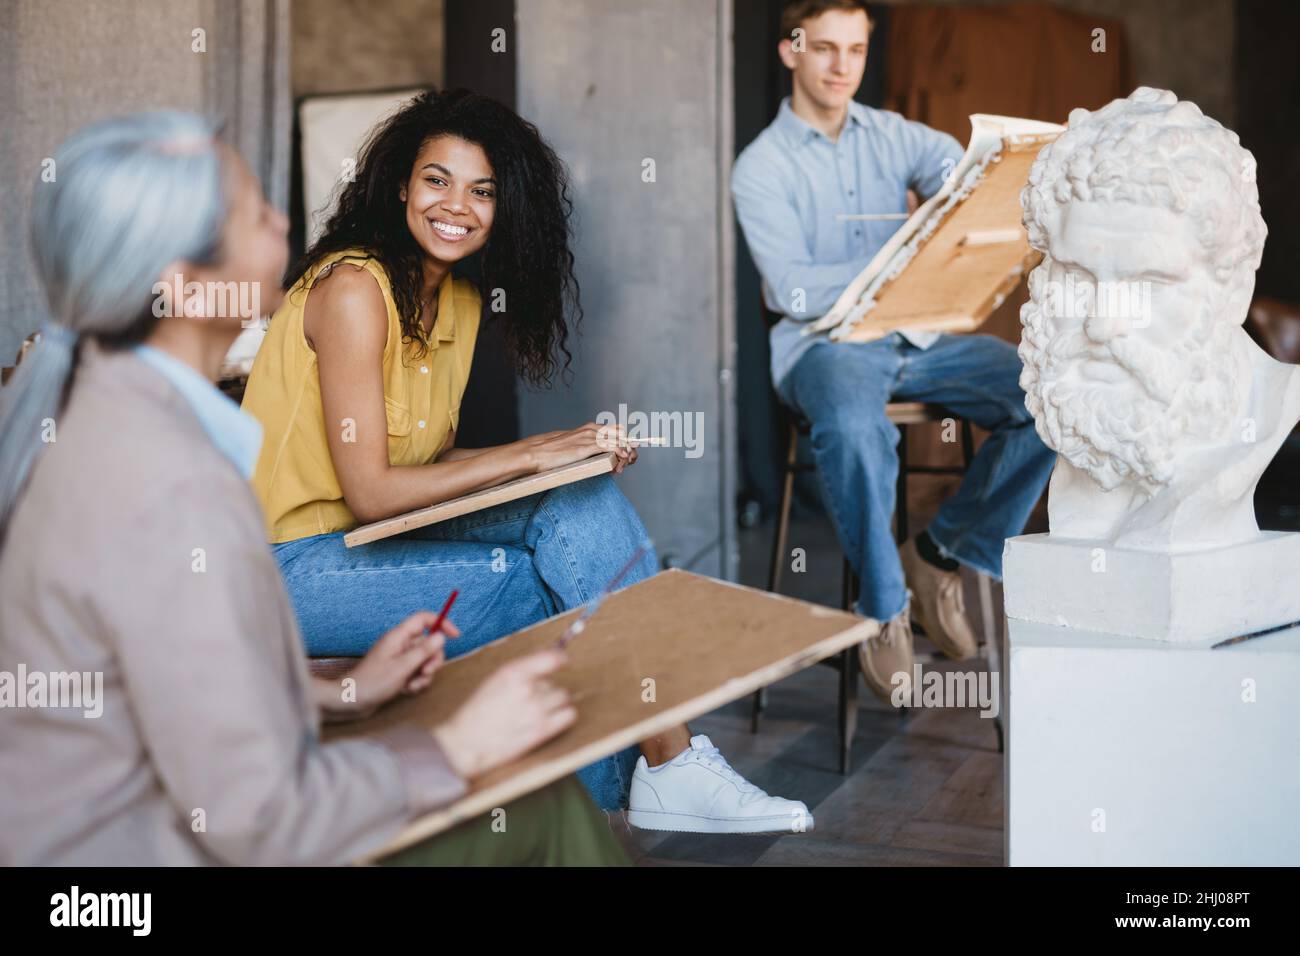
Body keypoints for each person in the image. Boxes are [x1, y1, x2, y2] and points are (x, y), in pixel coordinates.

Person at [0, 111, 625, 866]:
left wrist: (345, 692)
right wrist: (456, 747)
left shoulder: (118, 424)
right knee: (543, 809)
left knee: (543, 791)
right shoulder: (169, 486)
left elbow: (167, 681)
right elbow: (257, 820)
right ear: (182, 284)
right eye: (255, 212)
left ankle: (658, 765)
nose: (283, 221)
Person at [241, 88, 808, 832]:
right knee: (530, 590)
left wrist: (558, 467)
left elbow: (430, 463)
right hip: (286, 570)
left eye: (483, 191)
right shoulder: (354, 290)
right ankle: (609, 808)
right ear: (401, 186)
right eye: (437, 180)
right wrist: (538, 450)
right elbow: (376, 492)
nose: (457, 205)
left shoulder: (461, 302)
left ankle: (669, 764)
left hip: (361, 542)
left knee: (581, 501)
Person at [731, 0, 1055, 701]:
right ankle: (882, 610)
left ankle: (941, 553)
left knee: (1049, 394)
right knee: (852, 427)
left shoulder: (890, 133)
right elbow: (791, 290)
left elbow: (959, 171)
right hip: (826, 348)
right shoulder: (759, 167)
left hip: (916, 331)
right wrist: (898, 249)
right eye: (824, 48)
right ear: (791, 51)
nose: (842, 65)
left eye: (855, 49)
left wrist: (951, 202)